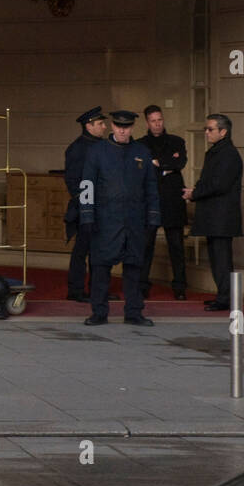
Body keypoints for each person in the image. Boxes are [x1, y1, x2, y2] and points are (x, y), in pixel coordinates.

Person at [79, 109, 160, 326]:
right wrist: (87, 215)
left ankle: (134, 312)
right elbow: (87, 184)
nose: (123, 130)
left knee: (134, 267)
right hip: (105, 220)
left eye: (127, 127)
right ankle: (99, 312)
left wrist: (153, 216)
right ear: (113, 126)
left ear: (132, 127)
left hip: (134, 220)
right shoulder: (97, 151)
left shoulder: (142, 152)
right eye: (118, 126)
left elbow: (151, 187)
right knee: (101, 267)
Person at [182, 113, 243, 312]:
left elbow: (219, 184)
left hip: (221, 217)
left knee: (222, 258)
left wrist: (195, 193)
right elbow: (207, 179)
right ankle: (223, 295)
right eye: (206, 129)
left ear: (223, 132)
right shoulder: (217, 152)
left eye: (210, 129)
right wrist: (195, 191)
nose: (207, 133)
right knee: (216, 259)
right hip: (214, 216)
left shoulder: (229, 154)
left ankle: (226, 298)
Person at [139, 105, 188, 299]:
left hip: (172, 200)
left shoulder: (177, 141)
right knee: (146, 245)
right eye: (153, 121)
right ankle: (142, 286)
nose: (157, 124)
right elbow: (140, 171)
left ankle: (180, 287)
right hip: (149, 200)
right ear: (147, 123)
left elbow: (180, 163)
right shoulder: (140, 145)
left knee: (176, 245)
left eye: (160, 120)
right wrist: (167, 166)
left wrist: (159, 164)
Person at [63, 107, 109, 302]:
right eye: (100, 124)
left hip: (104, 208)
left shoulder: (103, 146)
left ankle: (98, 290)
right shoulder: (77, 148)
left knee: (101, 251)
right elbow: (74, 183)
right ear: (89, 125)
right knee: (82, 251)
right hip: (86, 209)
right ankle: (76, 290)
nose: (104, 127)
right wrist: (88, 206)